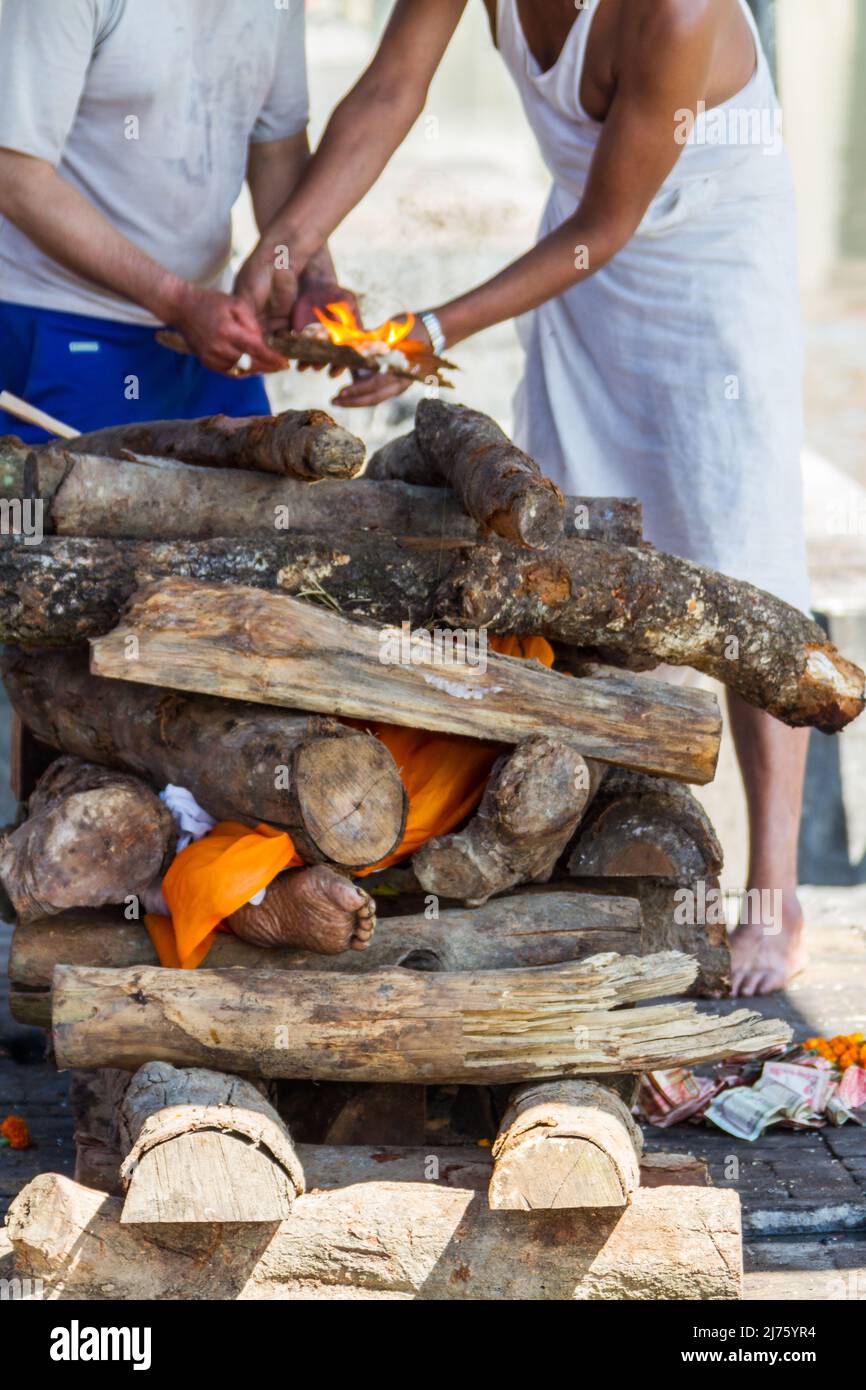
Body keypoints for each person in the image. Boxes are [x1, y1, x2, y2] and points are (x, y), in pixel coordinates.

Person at [238, 0, 811, 997]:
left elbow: (607, 224)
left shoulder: (675, 15)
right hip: (581, 260)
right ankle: (565, 824)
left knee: (739, 548)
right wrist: (290, 242)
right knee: (557, 547)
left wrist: (426, 332)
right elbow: (389, 90)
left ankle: (775, 891)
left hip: (701, 259)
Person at [0, 0, 348, 441]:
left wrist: (309, 276)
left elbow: (276, 148)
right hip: (61, 323)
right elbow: (14, 176)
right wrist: (178, 300)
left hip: (213, 328)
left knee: (256, 502)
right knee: (69, 506)